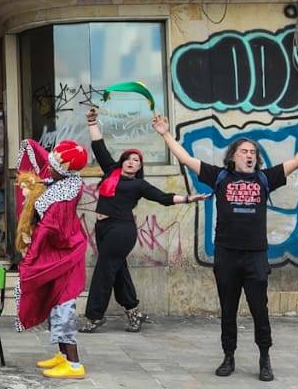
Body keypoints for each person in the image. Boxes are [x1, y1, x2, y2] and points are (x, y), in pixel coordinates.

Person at [153, 113, 298, 382]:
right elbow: (185, 159)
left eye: (253, 152)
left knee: (259, 309)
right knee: (228, 308)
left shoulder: (265, 178)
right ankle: (228, 356)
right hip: (227, 254)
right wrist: (165, 133)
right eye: (244, 151)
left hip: (255, 255)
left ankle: (264, 358)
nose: (249, 155)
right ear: (233, 156)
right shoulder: (219, 176)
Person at [82, 106, 205, 333]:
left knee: (104, 270)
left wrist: (188, 198)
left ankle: (94, 316)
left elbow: (164, 198)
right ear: (122, 162)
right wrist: (91, 123)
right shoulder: (111, 171)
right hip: (103, 228)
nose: (131, 162)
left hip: (121, 230)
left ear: (140, 166)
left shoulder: (139, 184)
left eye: (136, 161)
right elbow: (99, 146)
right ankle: (133, 311)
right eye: (128, 159)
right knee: (118, 270)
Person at [14, 138, 90, 379]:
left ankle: (74, 365)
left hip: (64, 258)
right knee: (55, 304)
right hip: (60, 257)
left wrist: (31, 254)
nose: (49, 169)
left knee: (63, 309)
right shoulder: (63, 181)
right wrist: (29, 144)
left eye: (53, 166)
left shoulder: (62, 199)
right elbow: (45, 159)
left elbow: (53, 229)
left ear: (63, 171)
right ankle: (63, 356)